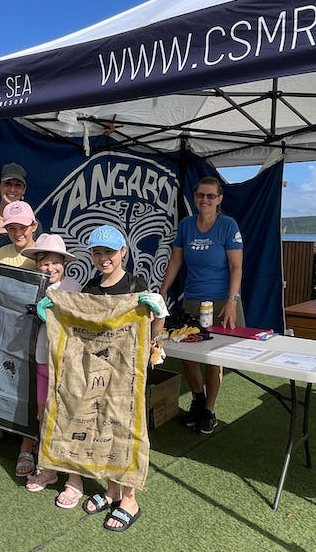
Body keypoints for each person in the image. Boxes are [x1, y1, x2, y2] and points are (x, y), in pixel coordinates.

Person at [50, 225, 166, 532]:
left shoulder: (136, 285)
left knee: (125, 428)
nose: (104, 259)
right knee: (101, 425)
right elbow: (80, 326)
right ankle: (112, 491)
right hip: (96, 373)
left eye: (109, 253)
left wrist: (159, 315)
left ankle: (130, 499)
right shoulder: (91, 288)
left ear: (123, 253)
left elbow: (153, 330)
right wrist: (52, 311)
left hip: (126, 375)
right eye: (97, 252)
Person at [160, 176, 244, 435]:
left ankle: (209, 409)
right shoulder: (186, 225)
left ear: (219, 199)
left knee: (213, 358)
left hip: (221, 302)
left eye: (210, 196)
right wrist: (161, 293)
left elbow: (236, 266)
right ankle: (197, 399)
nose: (204, 200)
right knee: (187, 354)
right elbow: (175, 262)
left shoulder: (228, 226)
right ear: (195, 198)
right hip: (193, 300)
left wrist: (232, 301)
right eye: (200, 195)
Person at [0, 200, 40, 475]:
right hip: (3, 331)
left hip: (34, 332)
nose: (17, 233)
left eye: (22, 227)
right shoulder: (0, 252)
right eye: (11, 228)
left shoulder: (42, 253)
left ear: (33, 226)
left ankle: (27, 445)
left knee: (29, 387)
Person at [19, 234, 82, 492]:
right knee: (44, 418)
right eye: (45, 263)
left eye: (56, 262)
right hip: (42, 361)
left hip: (66, 365)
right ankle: (49, 469)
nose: (51, 268)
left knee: (69, 419)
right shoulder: (31, 286)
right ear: (36, 264)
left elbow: (80, 324)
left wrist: (52, 316)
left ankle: (74, 478)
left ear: (65, 263)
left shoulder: (74, 286)